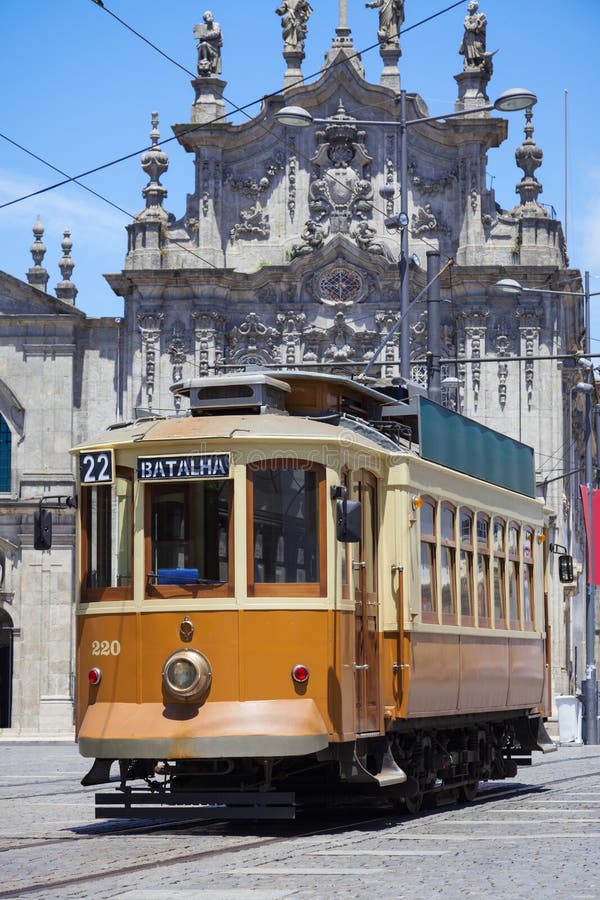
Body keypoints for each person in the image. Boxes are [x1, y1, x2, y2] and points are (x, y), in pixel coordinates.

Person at [459, 0, 487, 69]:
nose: (469, 5)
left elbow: (482, 28)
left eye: (471, 4)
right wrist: (477, 24)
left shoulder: (480, 16)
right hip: (468, 37)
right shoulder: (467, 18)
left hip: (477, 38)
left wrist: (478, 25)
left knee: (478, 48)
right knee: (469, 50)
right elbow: (468, 27)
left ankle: (480, 63)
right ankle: (471, 63)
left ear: (475, 7)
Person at [194, 10, 222, 76]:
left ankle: (208, 63)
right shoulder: (202, 26)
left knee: (204, 44)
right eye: (208, 15)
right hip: (204, 44)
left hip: (214, 45)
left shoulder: (216, 24)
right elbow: (199, 35)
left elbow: (216, 33)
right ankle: (204, 60)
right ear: (205, 18)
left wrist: (206, 36)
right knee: (203, 44)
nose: (210, 16)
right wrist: (196, 32)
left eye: (210, 15)